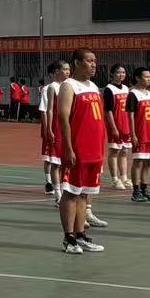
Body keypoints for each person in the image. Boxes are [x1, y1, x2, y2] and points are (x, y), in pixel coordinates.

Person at [55, 49, 107, 254]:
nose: (93, 65)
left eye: (95, 61)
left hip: (94, 149)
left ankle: (80, 235)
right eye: (89, 61)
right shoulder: (69, 86)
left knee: (85, 193)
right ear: (77, 63)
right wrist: (68, 147)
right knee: (71, 192)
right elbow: (63, 118)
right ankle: (69, 238)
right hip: (77, 149)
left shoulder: (93, 86)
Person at [129, 67, 150, 202]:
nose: (149, 79)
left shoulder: (149, 94)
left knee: (148, 162)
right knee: (138, 161)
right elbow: (130, 116)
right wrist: (133, 134)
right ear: (137, 78)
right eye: (146, 77)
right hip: (140, 133)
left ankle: (144, 189)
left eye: (149, 77)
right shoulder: (133, 94)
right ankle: (136, 191)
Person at [38, 61, 67, 199]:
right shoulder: (50, 88)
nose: (68, 72)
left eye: (69, 69)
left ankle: (63, 188)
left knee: (64, 161)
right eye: (65, 69)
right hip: (54, 127)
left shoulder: (69, 86)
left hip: (66, 127)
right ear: (55, 72)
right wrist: (48, 129)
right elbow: (45, 110)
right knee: (51, 159)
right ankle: (52, 186)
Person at [104, 64, 133, 190]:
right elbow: (108, 111)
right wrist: (114, 128)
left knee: (124, 152)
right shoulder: (109, 89)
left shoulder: (126, 89)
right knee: (114, 152)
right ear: (112, 74)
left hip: (126, 125)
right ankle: (115, 179)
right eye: (118, 72)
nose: (121, 75)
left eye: (123, 72)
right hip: (115, 125)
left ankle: (124, 177)